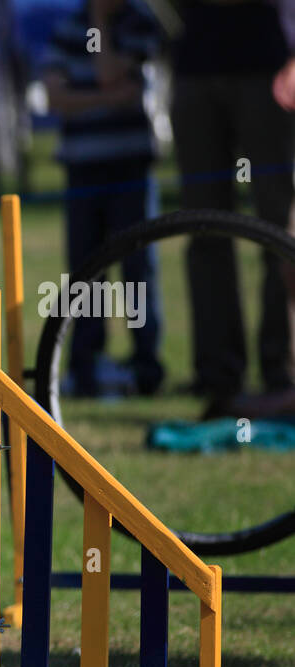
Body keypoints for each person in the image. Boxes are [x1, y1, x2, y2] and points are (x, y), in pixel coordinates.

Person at [142, 0, 295, 416]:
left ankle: (283, 375)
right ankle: (218, 375)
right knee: (204, 230)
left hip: (271, 65)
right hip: (197, 65)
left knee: (279, 232)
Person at [42, 0, 165, 397]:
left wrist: (99, 25)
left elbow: (107, 71)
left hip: (130, 168)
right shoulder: (67, 27)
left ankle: (146, 366)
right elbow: (54, 99)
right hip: (82, 169)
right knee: (85, 271)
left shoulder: (140, 23)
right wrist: (106, 98)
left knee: (138, 269)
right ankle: (86, 365)